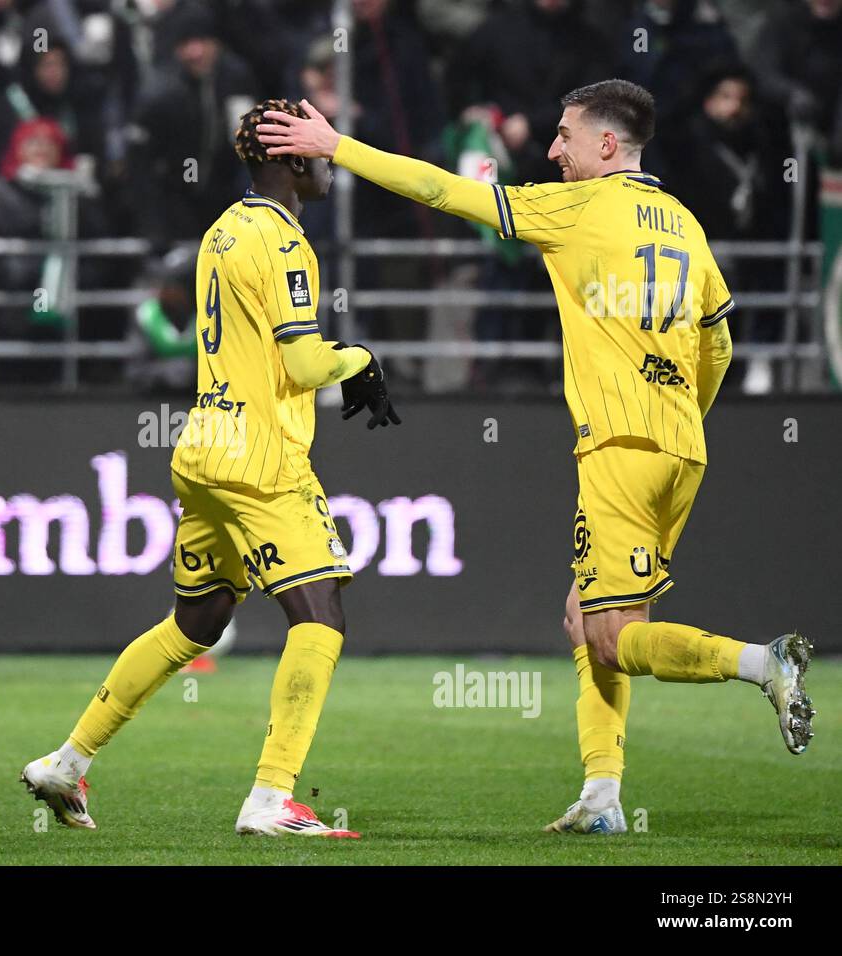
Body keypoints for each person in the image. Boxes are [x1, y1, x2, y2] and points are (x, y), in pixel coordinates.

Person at [256, 79, 816, 836]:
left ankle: (763, 663)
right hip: (683, 444)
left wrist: (337, 148)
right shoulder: (684, 224)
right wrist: (682, 413)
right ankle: (603, 797)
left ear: (607, 146)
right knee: (587, 617)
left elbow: (444, 190)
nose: (552, 150)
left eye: (565, 136)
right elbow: (717, 340)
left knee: (613, 636)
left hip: (618, 447)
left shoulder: (577, 207)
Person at [21, 98, 399, 838]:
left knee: (193, 623)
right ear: (292, 160)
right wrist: (363, 359)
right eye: (318, 153)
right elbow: (303, 360)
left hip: (202, 448)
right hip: (261, 457)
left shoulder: (222, 228)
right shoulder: (286, 242)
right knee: (321, 617)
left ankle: (66, 764)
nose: (328, 164)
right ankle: (271, 797)